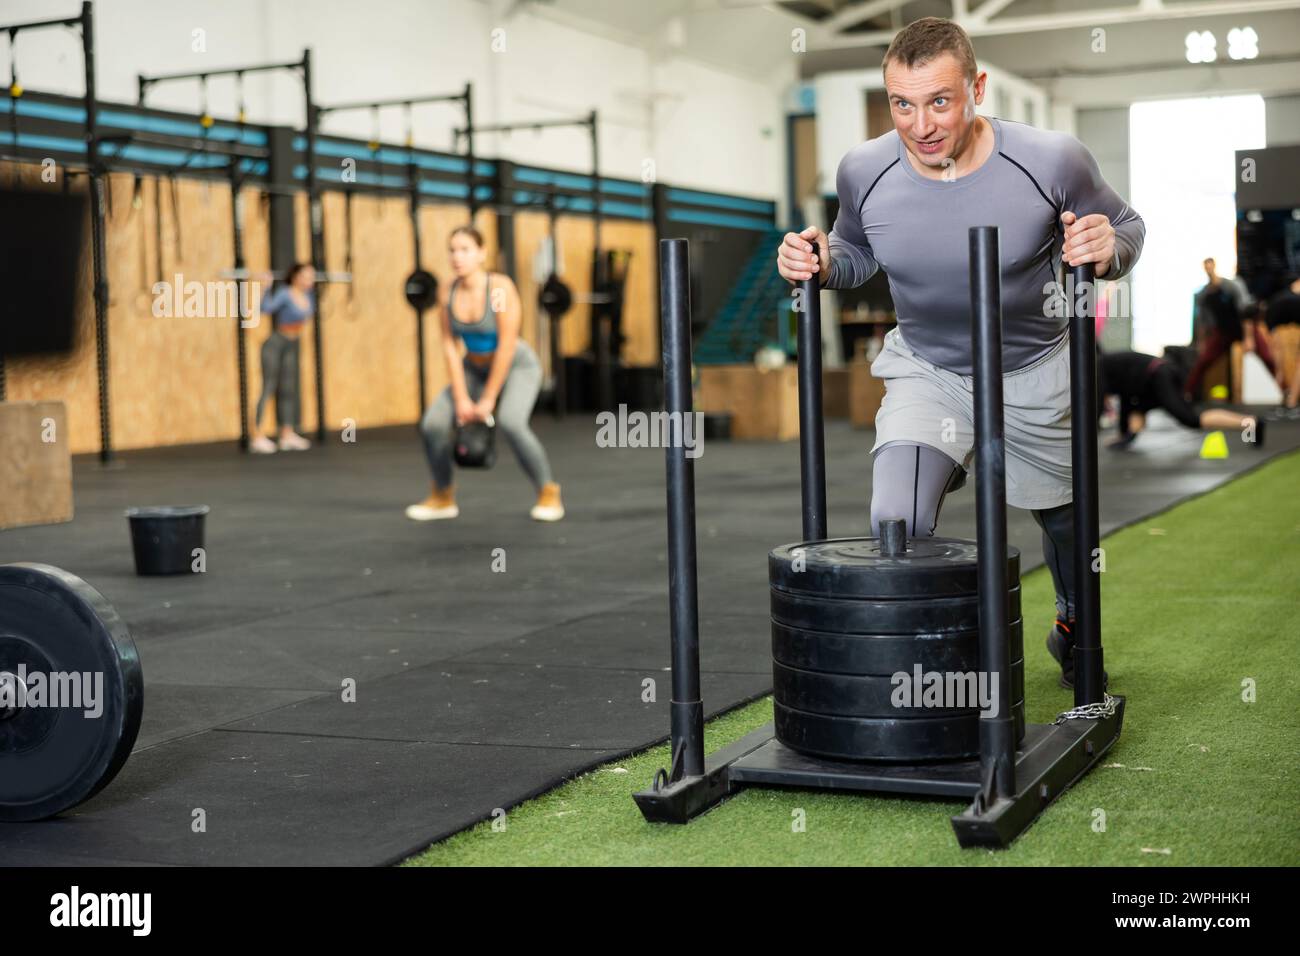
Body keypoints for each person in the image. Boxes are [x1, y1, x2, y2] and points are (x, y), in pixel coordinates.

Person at [776, 16, 1146, 690]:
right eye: (902, 103)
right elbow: (856, 251)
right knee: (895, 520)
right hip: (929, 370)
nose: (921, 124)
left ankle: (1071, 619)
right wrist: (820, 259)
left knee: (1064, 520)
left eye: (940, 100)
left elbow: (1125, 228)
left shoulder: (1050, 158)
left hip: (1035, 371)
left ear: (976, 88)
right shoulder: (864, 167)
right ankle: (921, 670)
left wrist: (1107, 247)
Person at [406, 226, 563, 522]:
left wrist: (489, 398)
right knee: (433, 424)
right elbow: (450, 346)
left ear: (481, 253)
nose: (457, 257)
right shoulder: (446, 290)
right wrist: (462, 398)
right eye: (452, 250)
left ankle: (548, 492)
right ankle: (442, 495)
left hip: (516, 364)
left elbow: (506, 344)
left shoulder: (499, 288)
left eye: (465, 249)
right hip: (473, 367)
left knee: (512, 423)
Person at [1099, 349, 1264, 449]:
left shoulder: (1097, 369)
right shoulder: (1105, 367)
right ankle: (1128, 436)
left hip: (1160, 377)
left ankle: (1251, 423)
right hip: (1155, 379)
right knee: (1136, 410)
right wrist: (1123, 433)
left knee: (1191, 419)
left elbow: (1098, 405)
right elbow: (1126, 398)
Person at [1185, 257, 1277, 399]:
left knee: (1268, 358)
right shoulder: (1204, 294)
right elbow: (1202, 321)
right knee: (1203, 361)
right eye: (1206, 267)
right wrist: (1202, 342)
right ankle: (1187, 394)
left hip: (1243, 328)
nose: (1208, 269)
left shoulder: (1231, 286)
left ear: (1214, 266)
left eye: (1210, 266)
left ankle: (1287, 392)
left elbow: (1245, 312)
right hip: (1223, 332)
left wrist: (1249, 338)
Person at [250, 263, 315, 454]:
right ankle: (257, 436)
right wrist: (265, 286)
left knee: (289, 388)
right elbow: (265, 309)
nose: (309, 281)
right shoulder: (285, 293)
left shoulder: (308, 296)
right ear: (295, 277)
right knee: (269, 386)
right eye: (306, 277)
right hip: (275, 344)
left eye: (311, 277)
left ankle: (287, 434)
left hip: (292, 345)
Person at [1262, 275, 1300, 411]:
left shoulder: (1284, 298)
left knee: (1281, 369)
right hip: (1275, 326)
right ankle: (1290, 401)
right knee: (1282, 368)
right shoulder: (1288, 299)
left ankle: (1290, 400)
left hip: (1275, 325)